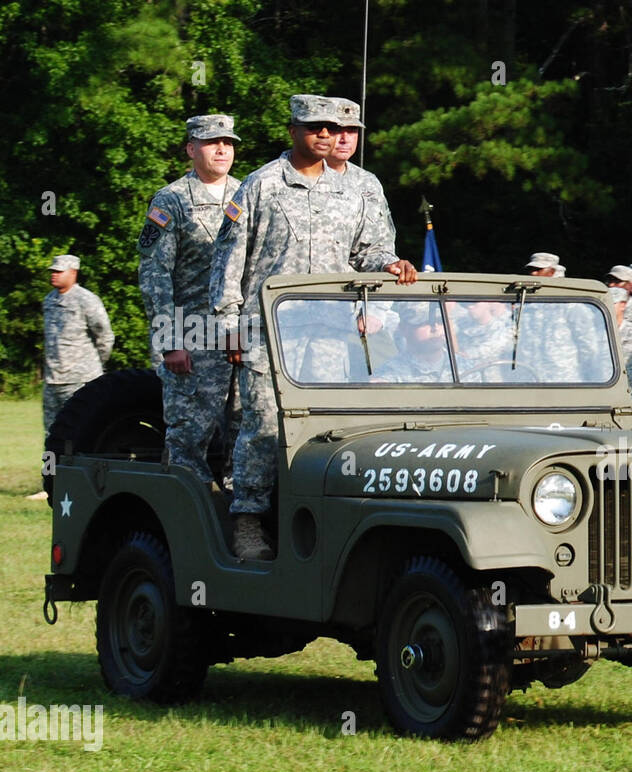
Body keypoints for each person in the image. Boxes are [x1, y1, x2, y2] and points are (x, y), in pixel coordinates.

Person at [210, 94, 416, 560]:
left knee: (323, 428)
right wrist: (229, 326)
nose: (325, 134)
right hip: (267, 332)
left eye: (331, 127)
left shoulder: (350, 190)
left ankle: (308, 520)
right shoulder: (260, 186)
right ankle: (248, 522)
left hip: (327, 330)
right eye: (313, 127)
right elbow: (228, 261)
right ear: (294, 131)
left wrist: (391, 263)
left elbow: (366, 251)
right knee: (262, 424)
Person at [138, 113, 242, 489]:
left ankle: (240, 514)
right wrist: (170, 343)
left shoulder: (246, 193)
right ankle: (186, 524)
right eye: (212, 142)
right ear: (191, 148)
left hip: (241, 336)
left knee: (246, 430)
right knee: (188, 437)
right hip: (193, 339)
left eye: (228, 142)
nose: (222, 149)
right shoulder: (172, 200)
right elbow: (155, 276)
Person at [42, 255, 114, 434]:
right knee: (52, 434)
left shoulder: (86, 300)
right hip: (53, 381)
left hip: (80, 380)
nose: (54, 275)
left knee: (82, 432)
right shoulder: (49, 300)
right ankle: (52, 463)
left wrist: (96, 366)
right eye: (53, 271)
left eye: (59, 271)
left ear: (73, 272)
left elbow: (105, 336)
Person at [326, 97, 396, 250]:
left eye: (352, 131)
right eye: (337, 130)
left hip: (356, 274)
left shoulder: (368, 182)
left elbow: (382, 245)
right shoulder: (299, 177)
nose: (345, 139)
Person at [373, 306, 453, 382]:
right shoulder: (388, 373)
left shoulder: (462, 367)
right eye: (426, 323)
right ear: (403, 328)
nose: (435, 328)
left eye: (440, 322)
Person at [608, 287, 632, 416]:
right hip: (606, 397)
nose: (608, 306)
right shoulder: (597, 332)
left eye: (612, 303)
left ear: (623, 305)